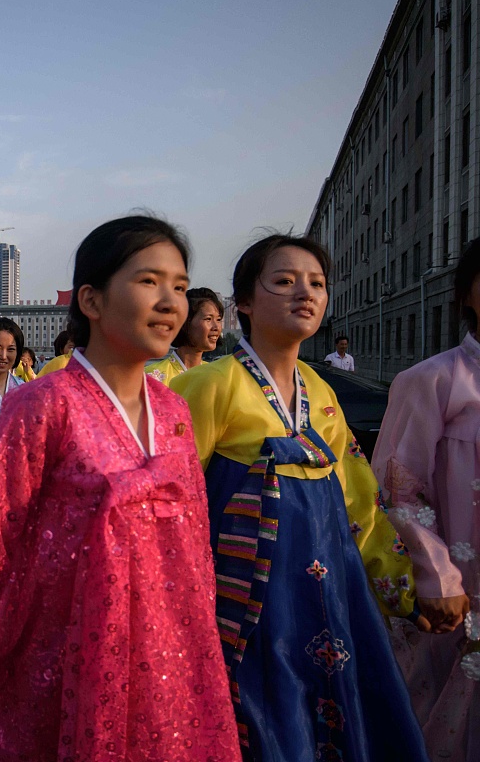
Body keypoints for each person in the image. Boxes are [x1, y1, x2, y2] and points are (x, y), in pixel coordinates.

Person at [0, 215, 237, 760]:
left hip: (163, 645)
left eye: (179, 285)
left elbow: (193, 542)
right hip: (61, 646)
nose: (172, 302)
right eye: (149, 281)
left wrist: (199, 643)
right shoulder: (44, 404)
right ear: (92, 301)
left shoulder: (172, 409)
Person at [171, 233, 428, 762]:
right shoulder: (209, 384)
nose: (304, 294)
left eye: (316, 284)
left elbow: (359, 499)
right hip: (248, 599)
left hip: (331, 592)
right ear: (242, 301)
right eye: (284, 282)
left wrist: (403, 587)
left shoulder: (321, 390)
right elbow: (168, 502)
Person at [370, 238, 480, 761]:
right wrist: (437, 574)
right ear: (466, 295)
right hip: (460, 599)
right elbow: (398, 490)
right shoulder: (433, 380)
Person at [146, 286, 224, 385]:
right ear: (185, 322)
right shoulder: (152, 378)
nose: (216, 327)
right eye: (208, 319)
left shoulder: (216, 377)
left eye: (218, 319)